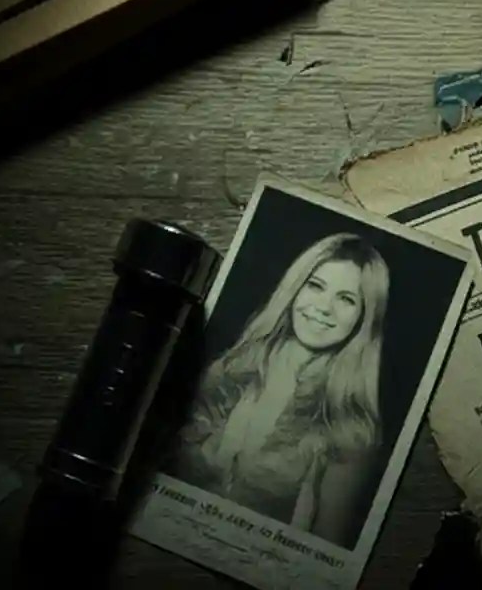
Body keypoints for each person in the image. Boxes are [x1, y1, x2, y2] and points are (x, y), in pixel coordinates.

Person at [166, 233, 390, 547]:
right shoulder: (227, 370)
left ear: (365, 319)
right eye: (315, 285)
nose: (323, 308)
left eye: (347, 299)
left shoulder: (351, 429)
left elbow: (324, 559)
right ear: (294, 289)